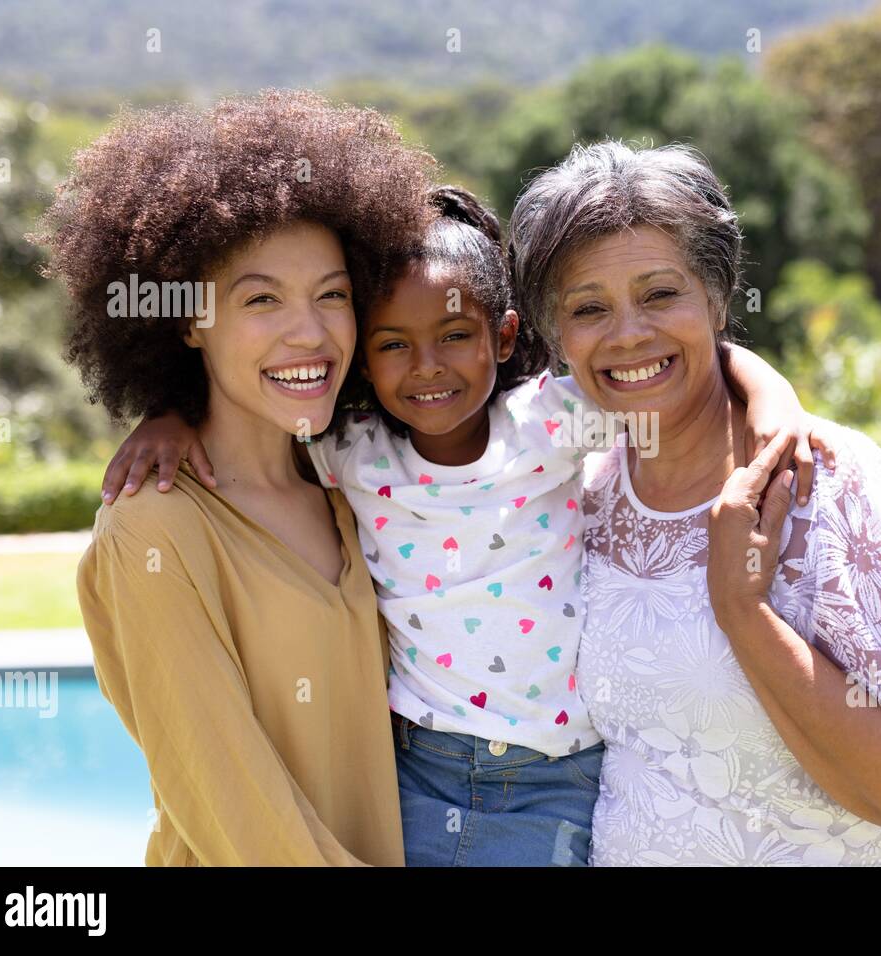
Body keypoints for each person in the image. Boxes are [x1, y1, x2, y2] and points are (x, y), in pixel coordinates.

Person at [97, 183, 833, 865]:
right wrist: (168, 408)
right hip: (421, 773)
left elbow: (683, 365)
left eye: (330, 296)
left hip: (549, 778)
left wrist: (776, 407)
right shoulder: (345, 460)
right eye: (392, 343)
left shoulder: (537, 427)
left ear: (504, 337)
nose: (425, 366)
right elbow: (214, 779)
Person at [508, 140, 881, 865]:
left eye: (661, 294)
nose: (629, 333)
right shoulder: (579, 482)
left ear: (717, 297)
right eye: (588, 308)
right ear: (555, 334)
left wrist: (742, 612)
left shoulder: (821, 477)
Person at [33, 90, 436, 865]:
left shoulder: (353, 489)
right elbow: (235, 810)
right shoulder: (155, 529)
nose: (311, 333)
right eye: (261, 300)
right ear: (188, 321)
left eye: (333, 295)